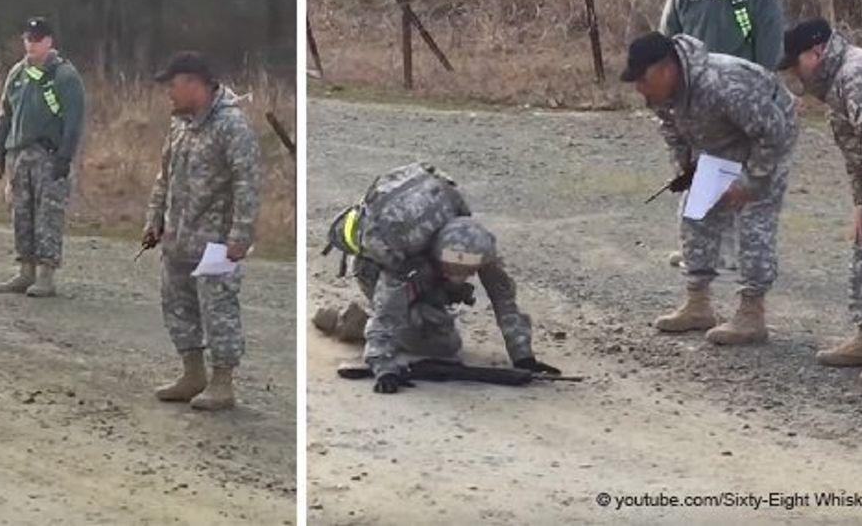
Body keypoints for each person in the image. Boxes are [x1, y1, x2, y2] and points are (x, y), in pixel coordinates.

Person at [321, 163, 560, 394]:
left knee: (435, 330)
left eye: (467, 271)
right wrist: (384, 367)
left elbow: (504, 299)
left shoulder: (477, 245)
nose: (460, 276)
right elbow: (387, 311)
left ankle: (395, 324)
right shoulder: (406, 257)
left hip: (422, 268)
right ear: (436, 255)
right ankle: (348, 323)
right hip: (374, 267)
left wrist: (523, 356)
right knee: (442, 345)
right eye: (451, 268)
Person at [621, 32, 797, 345]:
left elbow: (773, 131)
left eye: (643, 79)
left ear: (666, 68)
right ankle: (698, 305)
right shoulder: (661, 94)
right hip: (721, 140)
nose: (639, 88)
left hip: (767, 136)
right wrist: (686, 169)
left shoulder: (721, 82)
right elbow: (672, 132)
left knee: (754, 219)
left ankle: (751, 314)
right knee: (695, 210)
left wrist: (752, 181)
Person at [779, 18, 862, 385]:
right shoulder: (835, 84)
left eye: (794, 64)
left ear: (816, 53)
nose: (792, 74)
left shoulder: (861, 76)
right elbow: (856, 151)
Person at [660, 0, 786, 271]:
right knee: (694, 171)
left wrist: (761, 91)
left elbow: (768, 47)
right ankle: (695, 248)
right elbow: (669, 33)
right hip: (693, 95)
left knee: (736, 174)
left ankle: (732, 252)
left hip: (738, 96)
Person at [143, 51, 262, 411]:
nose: (169, 94)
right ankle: (192, 375)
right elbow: (165, 176)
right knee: (178, 306)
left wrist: (240, 236)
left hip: (216, 242)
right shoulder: (180, 124)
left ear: (195, 84)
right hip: (178, 237)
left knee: (218, 309)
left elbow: (247, 183)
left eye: (173, 86)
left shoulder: (232, 126)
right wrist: (154, 220)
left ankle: (222, 383)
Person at [0, 17, 86, 298]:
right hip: (19, 154)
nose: (31, 44)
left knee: (48, 215)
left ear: (49, 42)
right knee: (21, 213)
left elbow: (74, 121)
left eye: (37, 39)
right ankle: (25, 271)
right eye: (28, 38)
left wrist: (65, 158)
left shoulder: (64, 76)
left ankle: (46, 274)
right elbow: (5, 114)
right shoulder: (17, 74)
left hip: (49, 154)